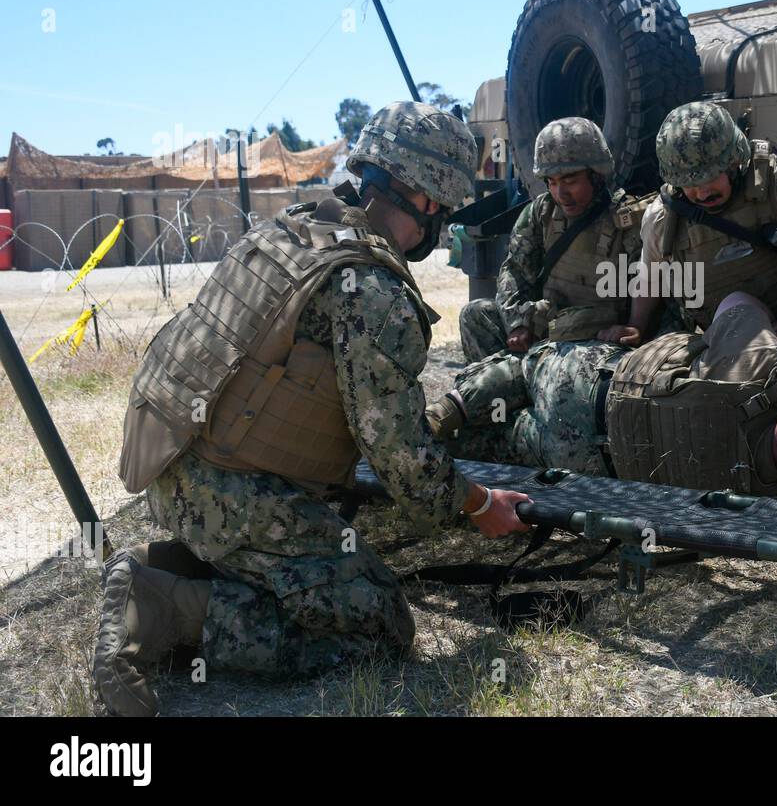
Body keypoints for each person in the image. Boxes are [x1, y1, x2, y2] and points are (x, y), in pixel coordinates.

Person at [97, 102, 532, 717]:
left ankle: (166, 565)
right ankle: (170, 609)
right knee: (377, 627)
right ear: (431, 202)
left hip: (169, 469)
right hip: (232, 495)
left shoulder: (284, 232)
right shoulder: (373, 289)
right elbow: (400, 459)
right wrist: (478, 504)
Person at [435, 293, 777, 502]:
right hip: (580, 461)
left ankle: (443, 412)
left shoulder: (763, 371)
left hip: (587, 387)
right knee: (504, 434)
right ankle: (438, 447)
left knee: (524, 366)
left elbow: (737, 302)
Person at [604, 102, 777, 382]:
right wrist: (636, 327)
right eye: (689, 183)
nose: (702, 192)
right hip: (722, 340)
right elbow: (651, 278)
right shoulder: (662, 218)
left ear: (734, 160)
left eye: (710, 176)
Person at [457, 117, 653, 362]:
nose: (561, 194)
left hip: (595, 343)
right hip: (546, 329)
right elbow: (515, 272)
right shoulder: (541, 213)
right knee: (475, 314)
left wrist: (635, 330)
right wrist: (518, 322)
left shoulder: (627, 222)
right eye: (552, 182)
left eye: (570, 181)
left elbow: (652, 289)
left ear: (596, 176)